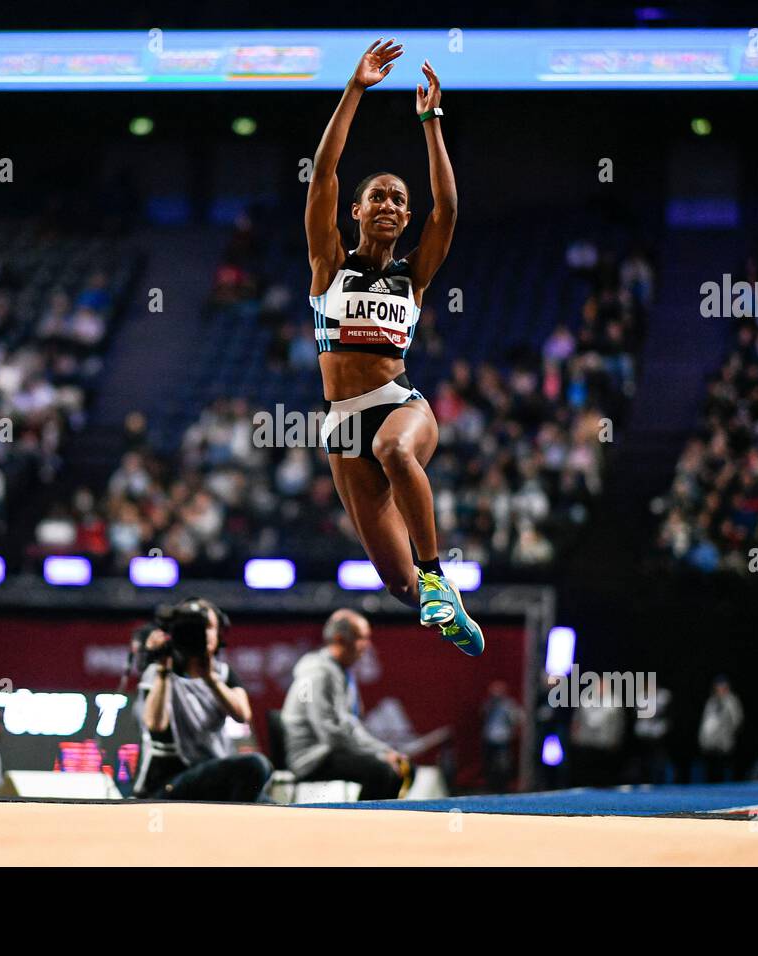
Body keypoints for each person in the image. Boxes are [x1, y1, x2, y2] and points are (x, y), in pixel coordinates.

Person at [304, 38, 483, 656]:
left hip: (399, 405)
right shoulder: (328, 264)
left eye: (399, 200)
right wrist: (355, 89)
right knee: (396, 584)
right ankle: (436, 597)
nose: (388, 204)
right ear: (355, 210)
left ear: (406, 219)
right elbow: (322, 172)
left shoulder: (414, 275)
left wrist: (432, 123)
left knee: (393, 449)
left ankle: (438, 573)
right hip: (343, 427)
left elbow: (450, 209)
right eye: (377, 195)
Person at [133, 599, 271, 801]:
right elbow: (155, 725)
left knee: (273, 807)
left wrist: (210, 679)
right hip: (167, 783)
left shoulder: (222, 674)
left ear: (219, 633)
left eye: (208, 627)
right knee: (255, 765)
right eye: (193, 629)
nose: (202, 634)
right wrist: (163, 669)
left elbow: (242, 714)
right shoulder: (158, 672)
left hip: (214, 775)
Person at [281, 609, 408, 800]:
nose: (367, 645)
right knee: (383, 771)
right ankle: (362, 827)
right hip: (313, 757)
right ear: (340, 639)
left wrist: (384, 751)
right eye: (361, 638)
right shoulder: (320, 674)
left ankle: (379, 825)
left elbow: (350, 728)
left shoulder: (342, 673)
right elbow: (330, 733)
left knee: (401, 768)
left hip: (330, 751)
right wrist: (380, 755)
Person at [697, 676, 744, 783]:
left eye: (723, 687)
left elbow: (736, 720)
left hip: (724, 742)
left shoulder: (731, 701)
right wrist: (703, 739)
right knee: (711, 770)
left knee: (723, 768)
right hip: (710, 742)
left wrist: (727, 734)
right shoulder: (711, 701)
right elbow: (706, 722)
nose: (720, 690)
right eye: (718, 687)